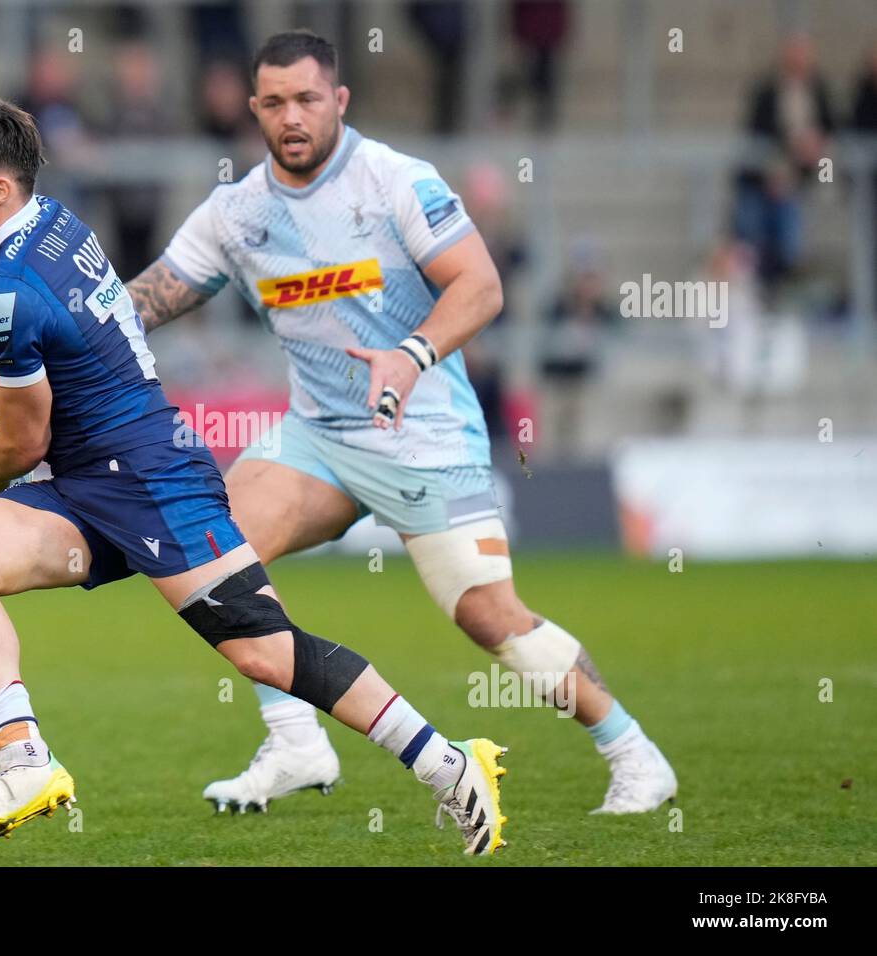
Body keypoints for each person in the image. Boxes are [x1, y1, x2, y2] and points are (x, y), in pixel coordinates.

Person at [0, 97, 510, 854]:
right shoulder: (54, 223)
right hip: (91, 480)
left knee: (265, 650)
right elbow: (66, 366)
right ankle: (24, 760)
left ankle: (447, 762)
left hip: (150, 480)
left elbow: (23, 447)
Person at [125, 30, 676, 816]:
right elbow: (146, 299)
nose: (292, 117)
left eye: (308, 99)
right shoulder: (237, 213)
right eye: (275, 102)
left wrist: (410, 356)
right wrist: (70, 331)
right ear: (254, 109)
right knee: (211, 546)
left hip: (423, 435)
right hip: (320, 437)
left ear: (339, 101)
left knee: (489, 616)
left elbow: (481, 287)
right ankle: (295, 740)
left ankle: (633, 750)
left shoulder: (394, 182)